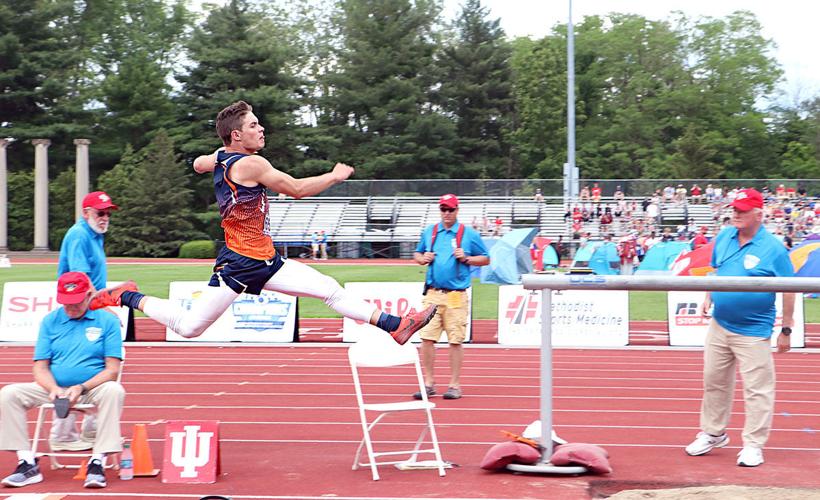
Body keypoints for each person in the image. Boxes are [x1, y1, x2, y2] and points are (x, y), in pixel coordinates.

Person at [89, 100, 435, 345]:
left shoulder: (223, 157)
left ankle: (395, 325)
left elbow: (197, 164)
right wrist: (333, 176)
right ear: (237, 135)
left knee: (329, 289)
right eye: (253, 125)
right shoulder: (252, 164)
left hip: (266, 260)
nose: (261, 128)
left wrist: (212, 157)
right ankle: (127, 295)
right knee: (189, 327)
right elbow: (297, 190)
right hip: (241, 263)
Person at [684, 188, 795, 468]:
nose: (736, 214)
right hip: (720, 323)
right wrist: (708, 295)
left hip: (753, 330)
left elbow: (790, 288)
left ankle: (753, 444)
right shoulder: (725, 236)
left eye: (742, 210)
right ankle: (713, 433)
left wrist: (786, 329)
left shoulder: (773, 248)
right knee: (714, 381)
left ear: (758, 214)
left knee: (758, 389)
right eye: (734, 209)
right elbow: (716, 270)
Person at [0, 272, 124, 489]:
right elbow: (40, 367)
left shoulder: (108, 321)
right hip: (53, 387)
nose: (71, 307)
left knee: (114, 391)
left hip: (92, 387)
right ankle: (26, 462)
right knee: (9, 394)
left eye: (76, 302)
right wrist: (53, 388)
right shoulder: (50, 321)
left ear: (89, 295)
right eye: (66, 302)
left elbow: (112, 370)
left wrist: (81, 387)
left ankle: (97, 461)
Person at [53, 191, 120, 453]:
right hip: (78, 307)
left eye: (108, 213)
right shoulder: (79, 235)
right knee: (77, 364)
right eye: (100, 213)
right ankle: (66, 433)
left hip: (90, 307)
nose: (105, 218)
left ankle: (89, 427)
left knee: (98, 363)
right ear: (86, 213)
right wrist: (104, 308)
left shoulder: (94, 234)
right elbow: (80, 278)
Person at [412, 194, 489, 400]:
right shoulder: (430, 232)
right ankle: (429, 383)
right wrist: (422, 258)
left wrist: (467, 258)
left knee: (455, 340)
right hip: (433, 293)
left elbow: (486, 258)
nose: (446, 213)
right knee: (426, 338)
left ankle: (454, 384)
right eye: (443, 209)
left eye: (450, 209)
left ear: (457, 210)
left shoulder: (469, 234)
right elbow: (417, 253)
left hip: (456, 295)